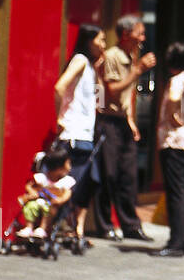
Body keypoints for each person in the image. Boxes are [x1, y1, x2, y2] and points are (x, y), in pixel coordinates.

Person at [95, 14, 156, 241]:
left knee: (128, 176)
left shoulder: (131, 57)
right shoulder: (113, 56)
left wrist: (131, 121)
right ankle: (105, 225)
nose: (142, 38)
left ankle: (131, 225)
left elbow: (127, 96)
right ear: (125, 34)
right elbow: (113, 90)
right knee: (108, 174)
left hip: (122, 121)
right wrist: (137, 71)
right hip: (108, 121)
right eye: (139, 33)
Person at [54, 24, 106, 242]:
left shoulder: (90, 66)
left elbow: (100, 103)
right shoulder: (80, 61)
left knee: (88, 181)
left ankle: (76, 229)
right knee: (70, 185)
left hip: (84, 135)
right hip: (74, 135)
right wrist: (59, 118)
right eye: (101, 40)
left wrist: (99, 71)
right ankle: (61, 227)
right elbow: (59, 86)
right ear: (89, 41)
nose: (104, 44)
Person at [154, 42, 184, 257]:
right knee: (182, 192)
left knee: (175, 192)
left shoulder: (177, 80)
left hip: (174, 141)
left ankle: (175, 242)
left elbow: (174, 100)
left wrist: (173, 118)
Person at [17, 145, 75, 239]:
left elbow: (68, 193)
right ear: (59, 168)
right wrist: (32, 192)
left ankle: (42, 229)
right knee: (30, 206)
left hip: (51, 205)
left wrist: (60, 200)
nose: (70, 167)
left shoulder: (66, 181)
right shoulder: (42, 178)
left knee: (48, 209)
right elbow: (29, 186)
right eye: (68, 164)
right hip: (38, 202)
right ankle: (29, 227)